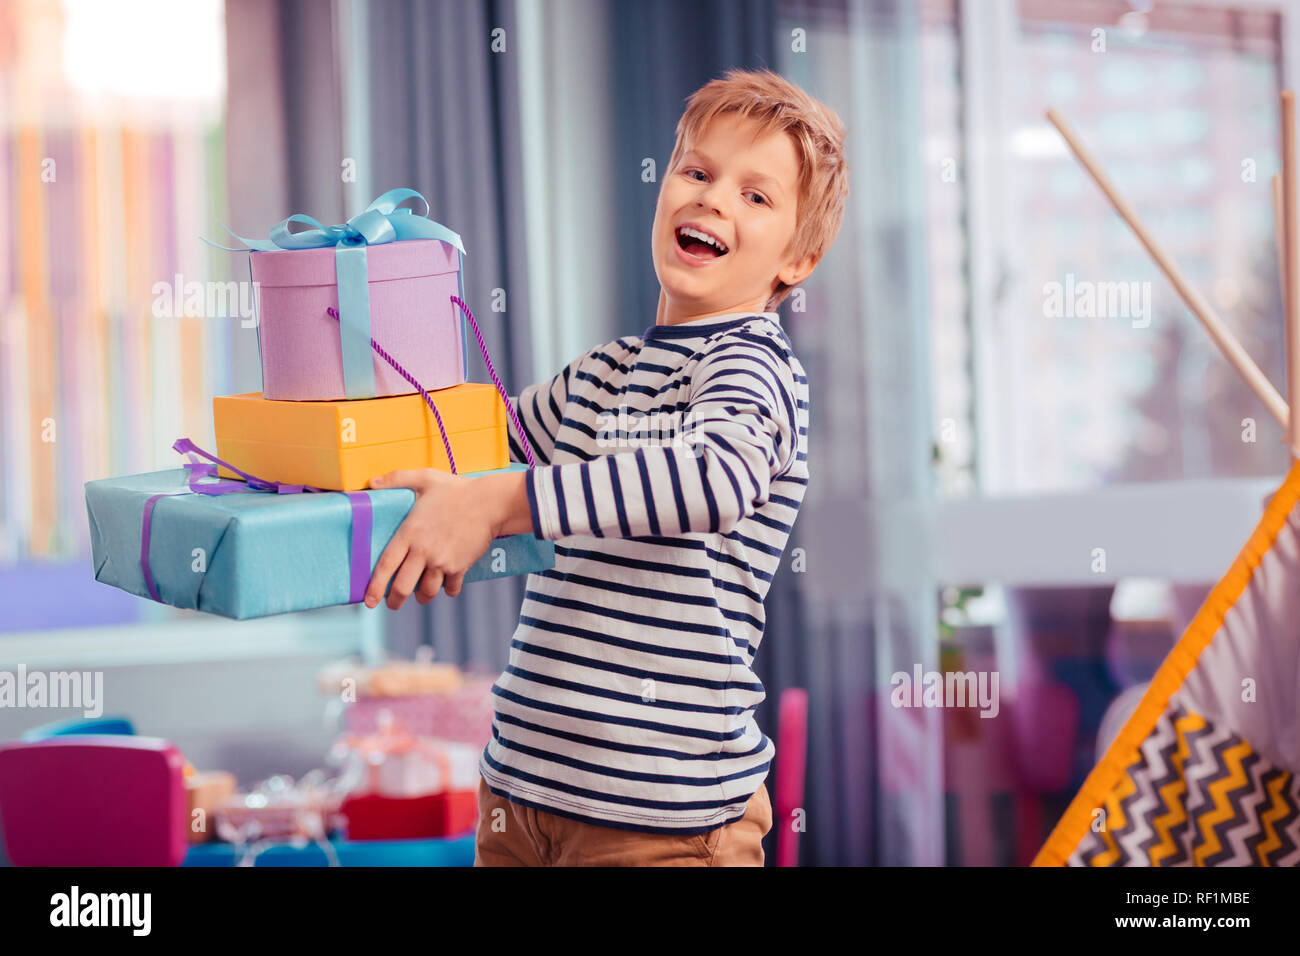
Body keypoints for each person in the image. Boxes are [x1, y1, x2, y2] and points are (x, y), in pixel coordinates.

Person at [363, 67, 849, 866]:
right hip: (518, 796)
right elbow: (466, 457)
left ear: (799, 258)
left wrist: (497, 503)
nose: (713, 199)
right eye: (697, 171)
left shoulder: (754, 369)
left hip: (662, 824)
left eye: (756, 196)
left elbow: (711, 478)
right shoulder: (598, 374)